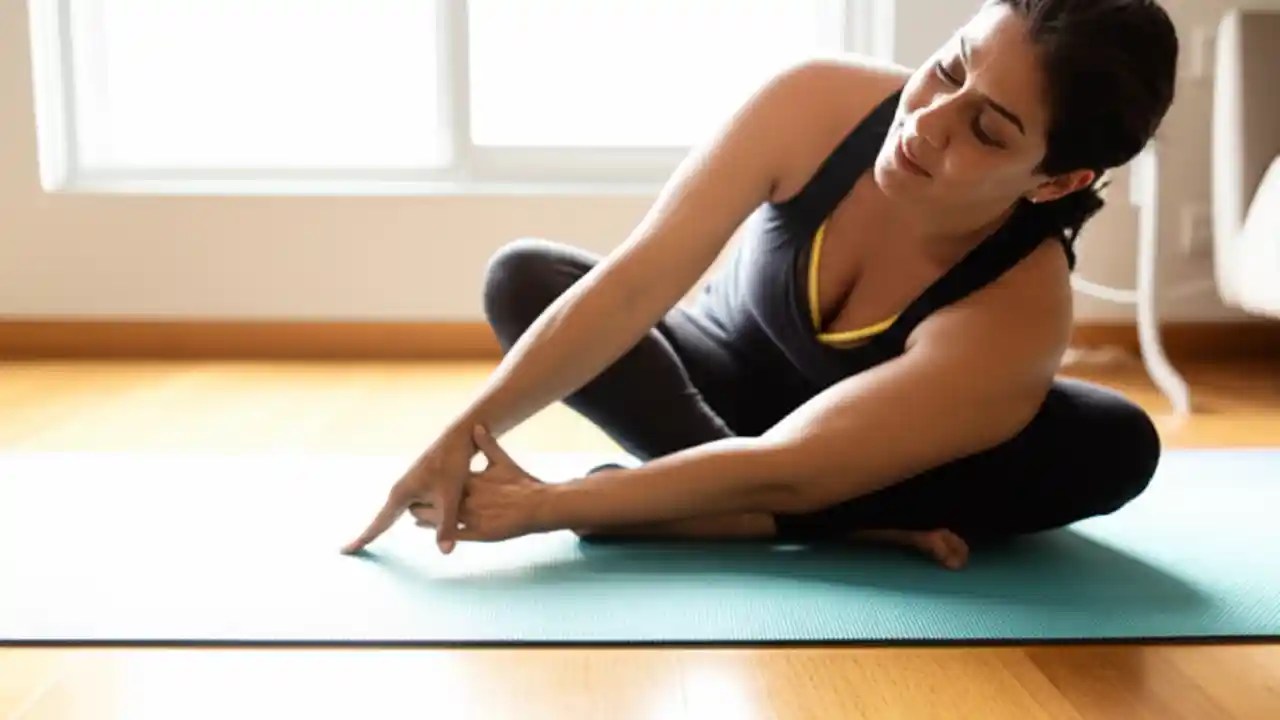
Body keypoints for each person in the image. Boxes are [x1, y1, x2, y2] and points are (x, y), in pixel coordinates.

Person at [343, 0, 1178, 570]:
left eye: (988, 130)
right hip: (718, 381)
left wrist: (553, 504)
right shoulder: (816, 102)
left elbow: (800, 461)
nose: (927, 122)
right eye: (949, 70)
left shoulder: (1018, 306)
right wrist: (464, 430)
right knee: (525, 276)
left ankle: (736, 505)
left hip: (844, 452)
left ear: (1056, 183)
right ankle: (825, 520)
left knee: (1111, 442)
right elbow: (638, 285)